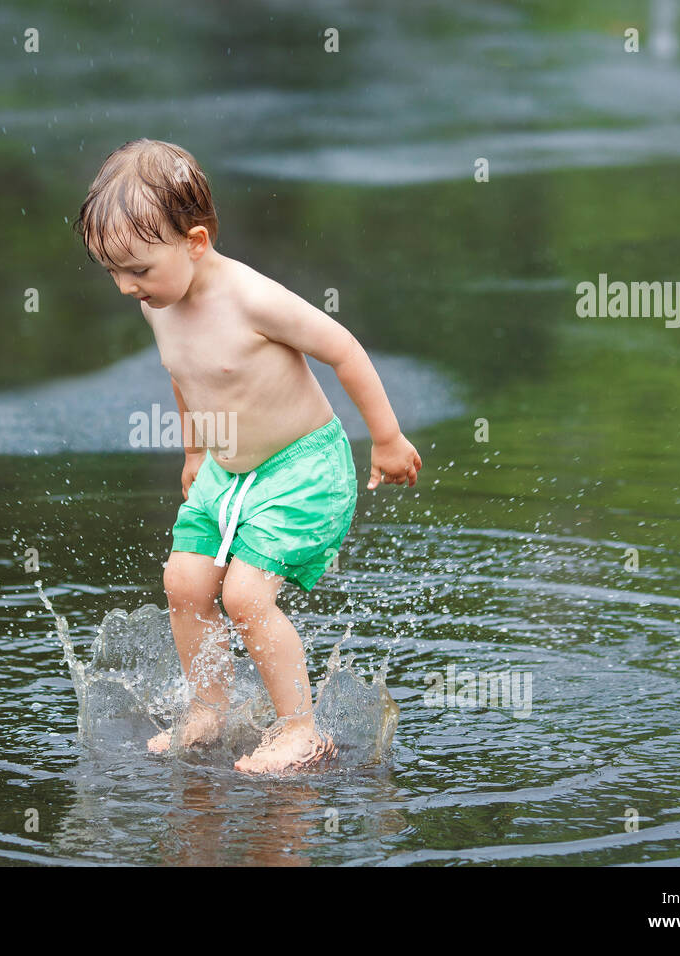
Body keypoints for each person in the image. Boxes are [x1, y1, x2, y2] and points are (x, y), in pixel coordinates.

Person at [73, 139, 422, 774]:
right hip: (225, 471)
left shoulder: (252, 300)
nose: (126, 287)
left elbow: (342, 348)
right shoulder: (162, 303)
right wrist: (194, 451)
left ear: (196, 242)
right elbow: (185, 377)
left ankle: (299, 730)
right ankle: (208, 708)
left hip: (301, 469)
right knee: (183, 580)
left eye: (138, 270)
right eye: (113, 272)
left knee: (244, 596)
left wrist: (388, 438)